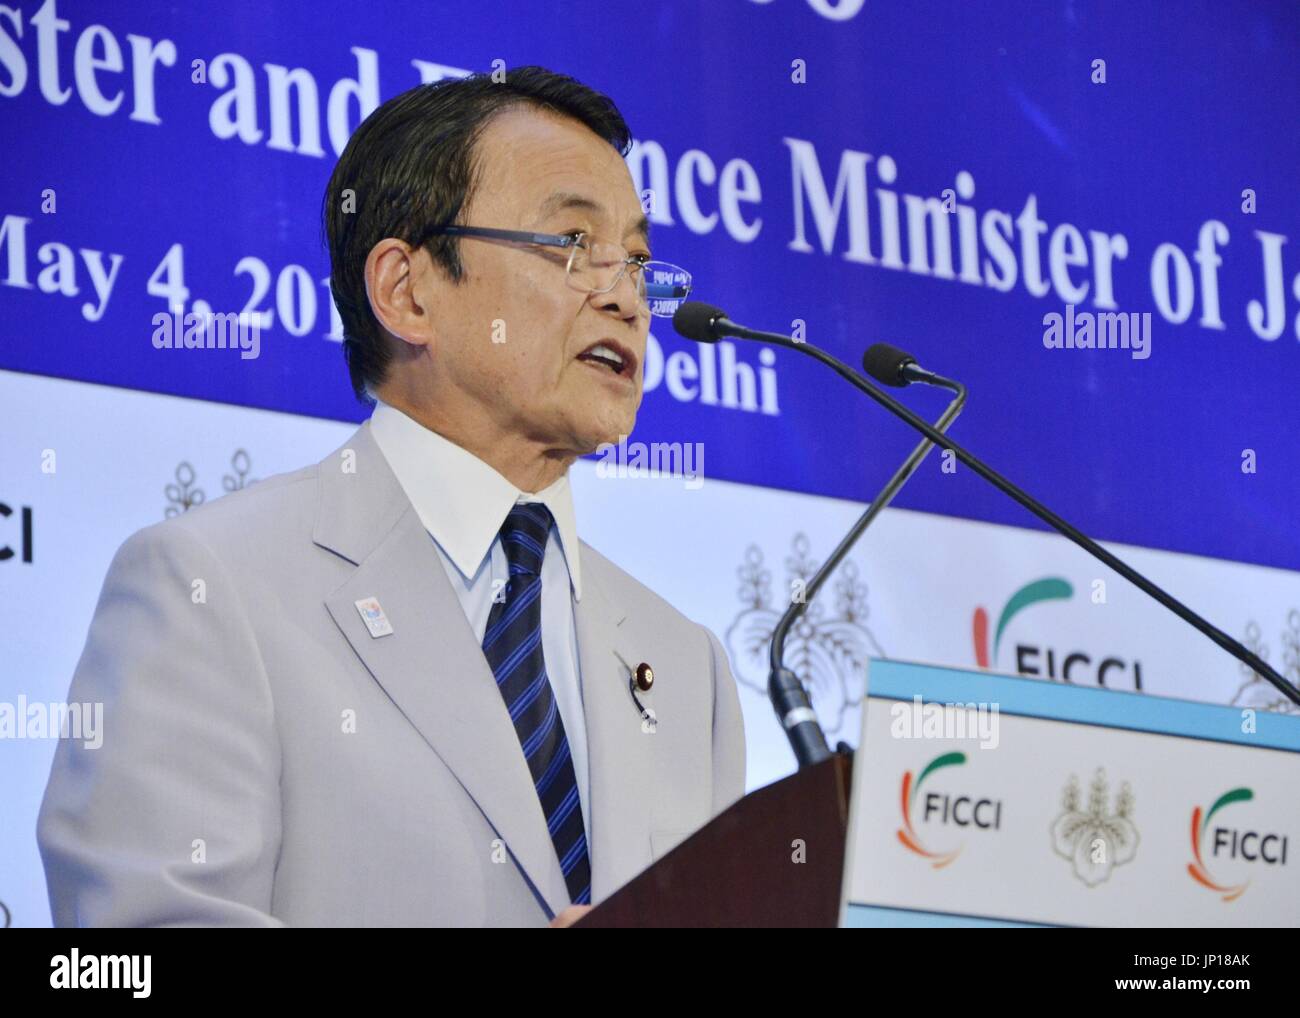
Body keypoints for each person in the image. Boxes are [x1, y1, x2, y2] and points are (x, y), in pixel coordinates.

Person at [37, 66, 746, 928]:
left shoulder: (686, 666)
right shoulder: (210, 587)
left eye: (636, 260)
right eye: (571, 244)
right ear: (407, 291)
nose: (623, 294)